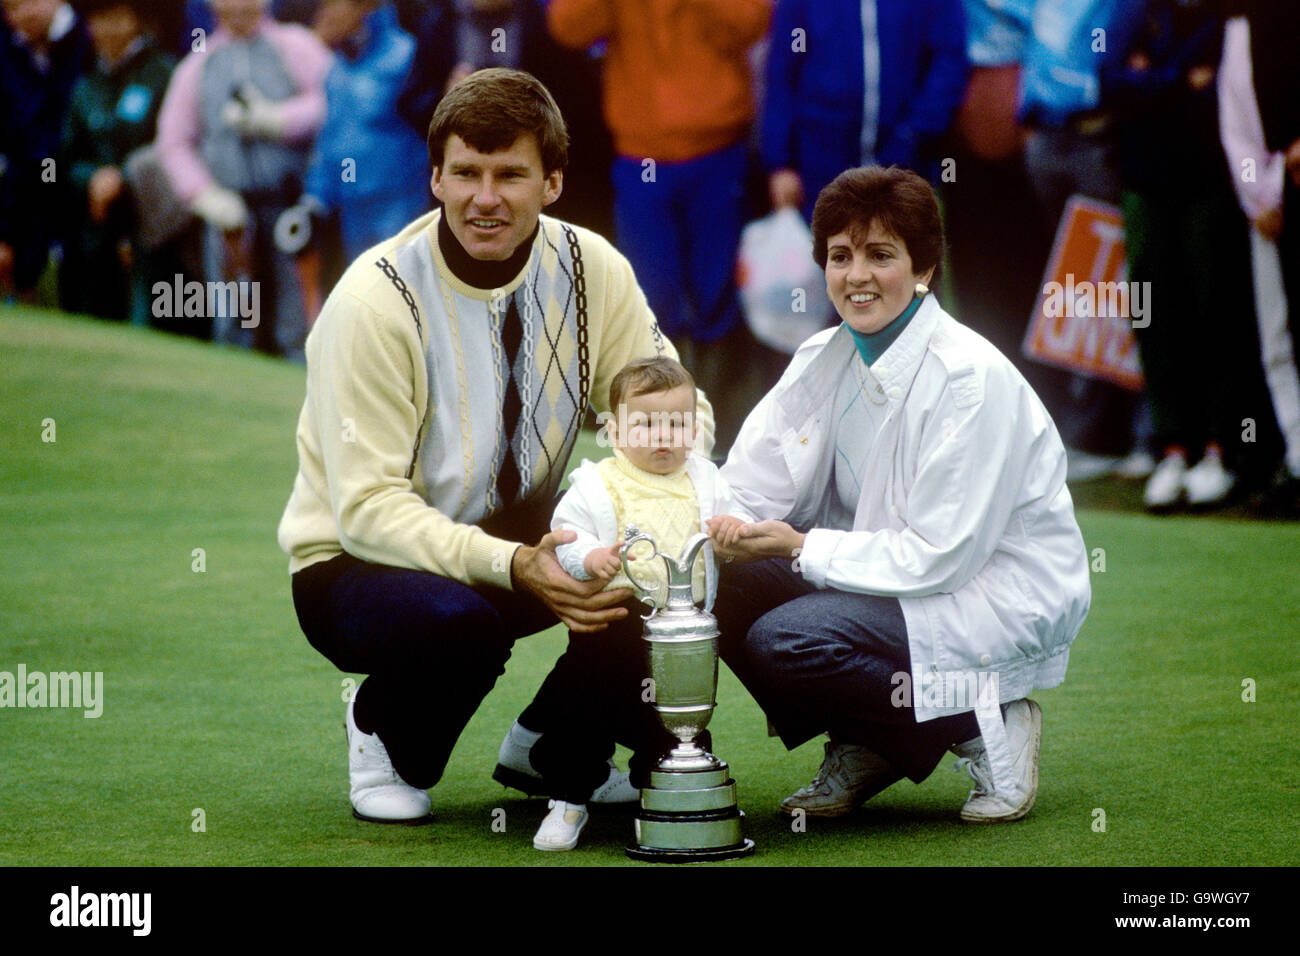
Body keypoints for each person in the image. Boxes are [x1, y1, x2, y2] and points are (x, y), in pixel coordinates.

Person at [278, 68, 716, 825]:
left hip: (519, 538)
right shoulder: (371, 302)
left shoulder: (594, 268)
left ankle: (551, 744)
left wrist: (659, 500)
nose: (486, 198)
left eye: (510, 174)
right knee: (461, 624)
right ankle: (380, 728)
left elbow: (677, 404)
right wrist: (515, 566)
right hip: (355, 566)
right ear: (435, 180)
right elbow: (368, 512)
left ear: (550, 182)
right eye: (466, 174)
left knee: (659, 552)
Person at [707, 165, 1090, 823]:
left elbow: (940, 557)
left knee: (785, 641)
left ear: (924, 269)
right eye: (840, 256)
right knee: (721, 578)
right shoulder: (820, 357)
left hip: (988, 591)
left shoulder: (968, 380)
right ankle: (877, 738)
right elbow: (744, 487)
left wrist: (801, 547)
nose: (857, 275)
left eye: (881, 255)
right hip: (886, 576)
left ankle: (988, 722)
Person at [531, 355, 745, 850]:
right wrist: (591, 557)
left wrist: (732, 530)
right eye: (646, 424)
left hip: (682, 632)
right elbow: (567, 534)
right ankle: (567, 798)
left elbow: (732, 519)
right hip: (613, 622)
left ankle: (671, 793)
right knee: (583, 708)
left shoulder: (706, 479)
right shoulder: (599, 482)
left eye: (678, 423)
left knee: (672, 717)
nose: (664, 436)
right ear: (614, 429)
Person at [155, 0, 331, 356]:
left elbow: (332, 100)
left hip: (289, 205)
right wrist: (203, 195)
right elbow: (173, 142)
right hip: (230, 213)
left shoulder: (295, 45)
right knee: (235, 318)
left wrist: (279, 119)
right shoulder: (199, 63)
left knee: (297, 321)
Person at [61, 0, 177, 324]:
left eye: (117, 19)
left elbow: (173, 145)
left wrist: (123, 176)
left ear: (135, 21)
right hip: (97, 226)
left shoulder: (163, 73)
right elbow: (66, 159)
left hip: (154, 226)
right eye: (99, 20)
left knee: (152, 320)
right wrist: (92, 178)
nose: (108, 29)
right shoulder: (85, 86)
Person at [0, 0, 93, 302]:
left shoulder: (88, 38)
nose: (21, 15)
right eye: (11, 8)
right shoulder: (12, 50)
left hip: (81, 183)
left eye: (28, 2)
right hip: (27, 181)